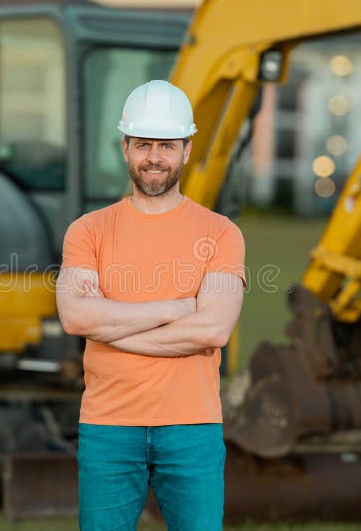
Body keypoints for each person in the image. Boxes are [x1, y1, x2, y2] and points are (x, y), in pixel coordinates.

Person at [56, 80, 246, 530]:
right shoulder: (88, 231)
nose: (154, 157)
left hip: (192, 427)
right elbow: (76, 317)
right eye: (143, 144)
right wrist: (176, 308)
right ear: (125, 148)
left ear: (187, 150)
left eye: (166, 145)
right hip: (108, 426)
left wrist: (112, 328)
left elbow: (213, 330)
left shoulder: (221, 233)